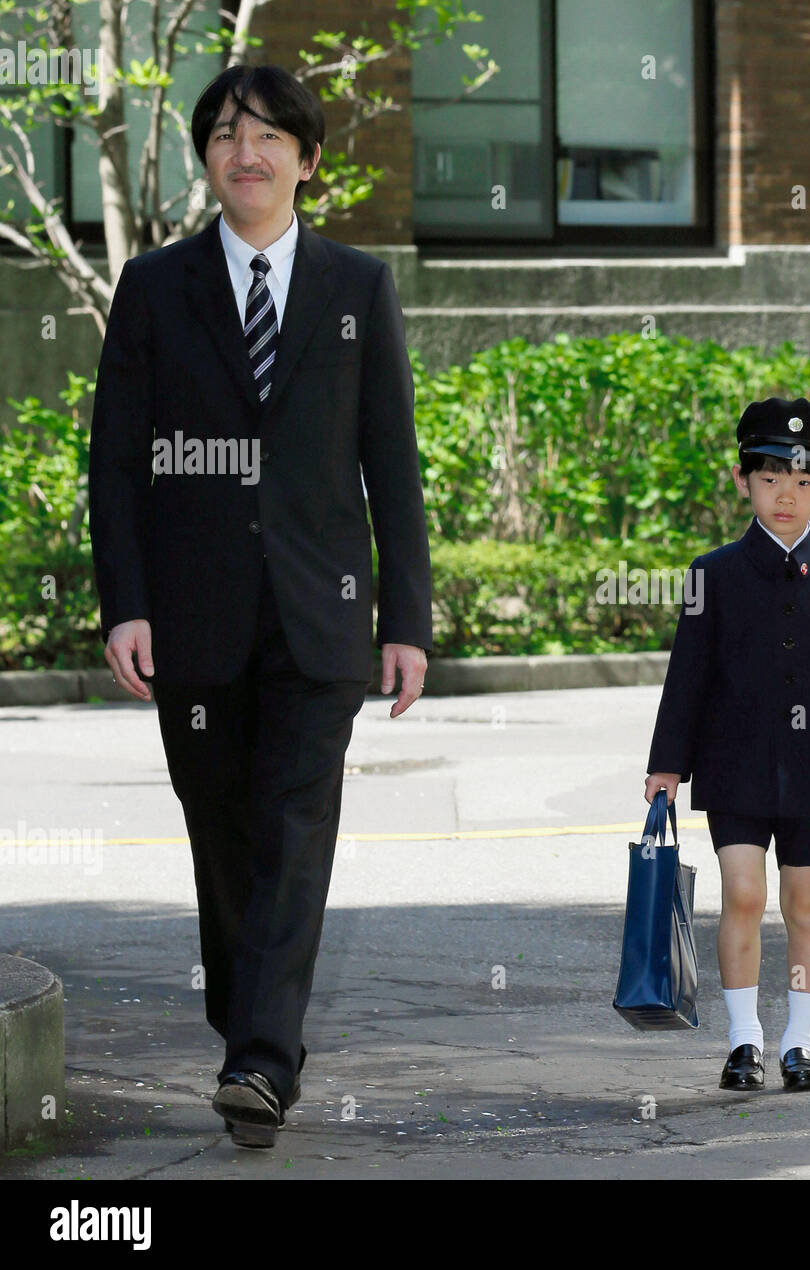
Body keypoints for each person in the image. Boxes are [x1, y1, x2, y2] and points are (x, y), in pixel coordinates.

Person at [88, 64, 433, 1146]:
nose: (249, 151)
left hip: (320, 614)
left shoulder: (355, 286)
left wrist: (407, 619)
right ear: (207, 159)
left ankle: (260, 1059)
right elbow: (116, 462)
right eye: (229, 134)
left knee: (294, 826)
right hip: (192, 616)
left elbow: (392, 460)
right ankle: (245, 1021)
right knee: (223, 832)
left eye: (271, 134)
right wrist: (125, 603)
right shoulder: (155, 285)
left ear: (307, 158)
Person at [645, 397, 810, 1092]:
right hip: (732, 766)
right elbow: (687, 678)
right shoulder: (712, 574)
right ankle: (743, 1041)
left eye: (802, 481)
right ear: (742, 482)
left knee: (805, 906)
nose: (785, 495)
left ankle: (801, 1041)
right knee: (741, 893)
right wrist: (666, 765)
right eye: (769, 479)